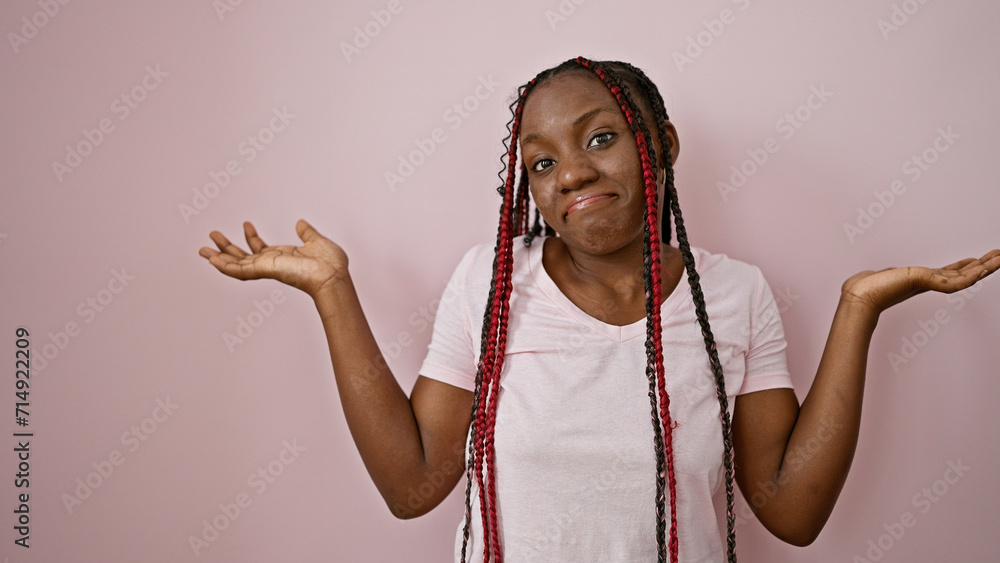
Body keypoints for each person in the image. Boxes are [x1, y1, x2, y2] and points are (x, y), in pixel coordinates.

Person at [199, 57, 999, 563]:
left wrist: (858, 310)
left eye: (601, 137)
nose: (571, 173)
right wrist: (332, 291)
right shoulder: (490, 281)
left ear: (664, 143)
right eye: (542, 162)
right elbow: (414, 486)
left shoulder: (737, 294)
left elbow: (791, 512)